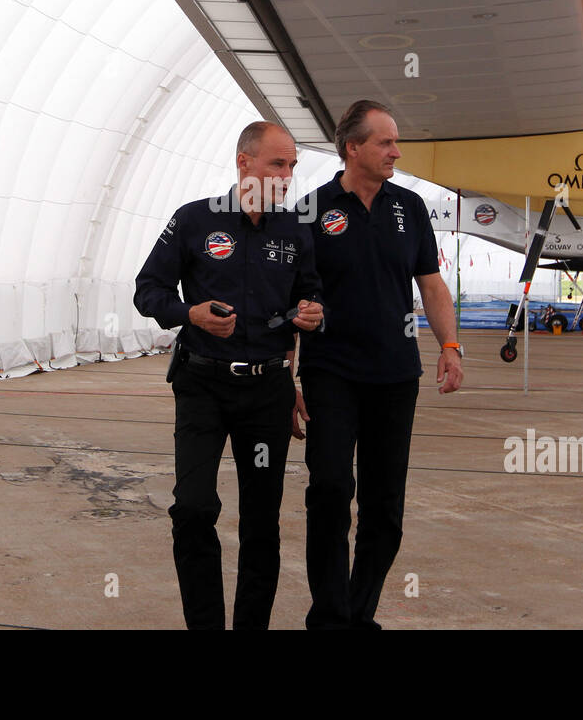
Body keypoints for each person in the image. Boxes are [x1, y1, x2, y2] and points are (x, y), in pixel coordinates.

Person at [133, 121, 324, 630]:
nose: (287, 176)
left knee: (262, 523)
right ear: (244, 163)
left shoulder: (296, 230)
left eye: (292, 166)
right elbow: (148, 288)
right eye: (277, 164)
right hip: (202, 387)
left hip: (267, 392)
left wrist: (311, 313)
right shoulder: (194, 221)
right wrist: (188, 313)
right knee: (193, 509)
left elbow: (310, 295)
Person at [292, 99, 464, 630]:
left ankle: (354, 615)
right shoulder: (310, 210)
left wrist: (450, 347)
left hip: (395, 375)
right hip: (330, 373)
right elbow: (291, 299)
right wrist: (288, 375)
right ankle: (331, 616)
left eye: (395, 141)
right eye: (385, 142)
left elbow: (430, 284)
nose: (396, 151)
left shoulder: (409, 208)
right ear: (353, 148)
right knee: (329, 491)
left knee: (385, 507)